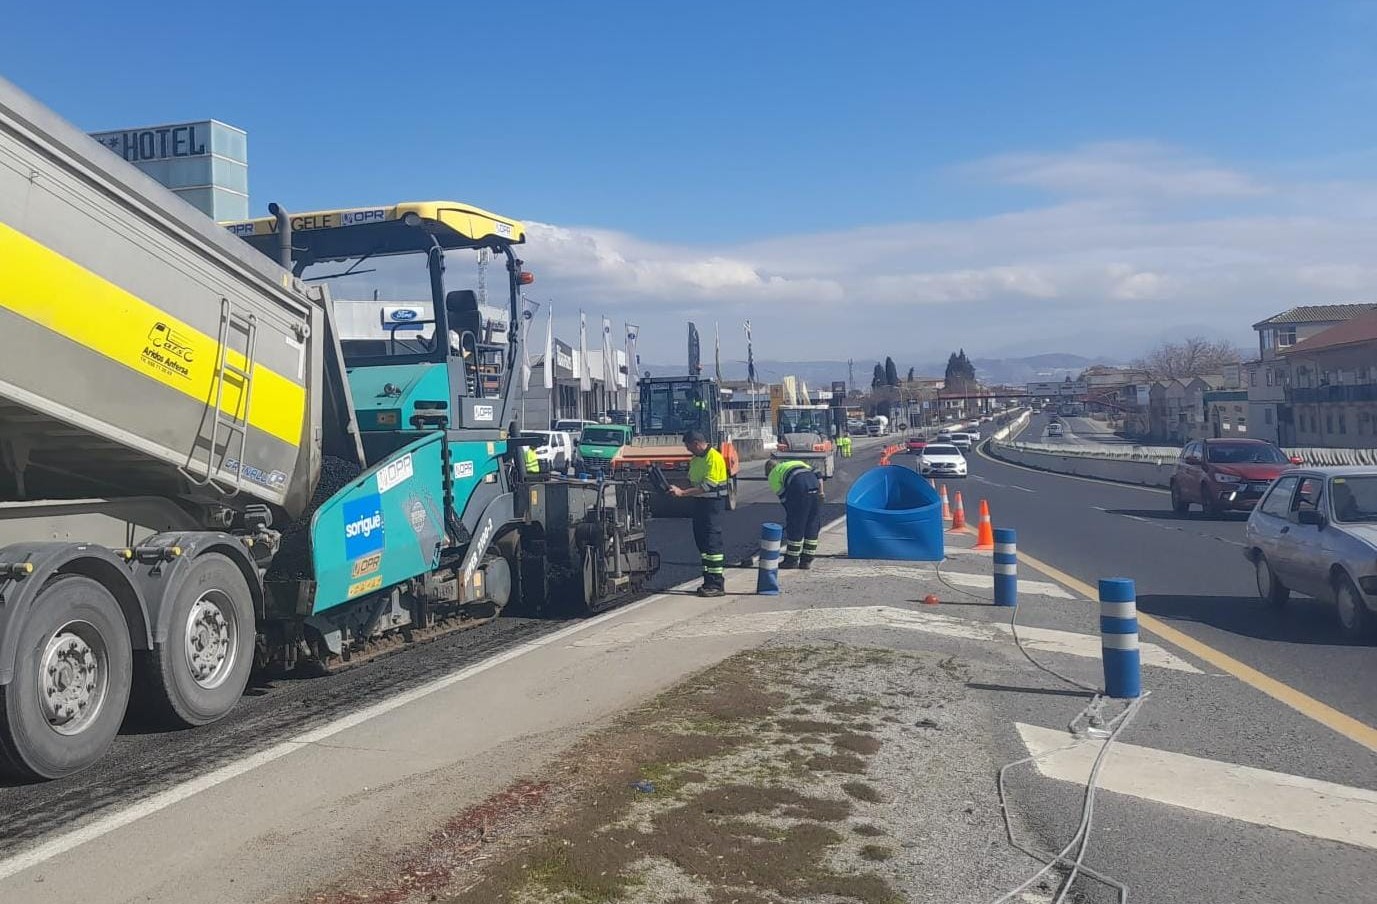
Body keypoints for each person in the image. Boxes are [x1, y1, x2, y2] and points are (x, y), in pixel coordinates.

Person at [668, 430, 728, 596]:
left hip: (712, 505)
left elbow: (706, 486)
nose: (688, 451)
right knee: (702, 541)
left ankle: (716, 584)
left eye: (689, 447)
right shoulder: (696, 459)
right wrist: (675, 486)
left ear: (696, 443)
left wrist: (682, 493)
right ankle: (708, 580)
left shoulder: (713, 458)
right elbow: (692, 480)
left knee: (712, 542)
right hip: (701, 504)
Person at [767, 458, 822, 569]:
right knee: (812, 523)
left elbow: (784, 498)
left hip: (799, 487)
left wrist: (791, 515)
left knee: (796, 526)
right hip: (814, 486)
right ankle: (806, 561)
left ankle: (791, 561)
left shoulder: (773, 475)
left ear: (769, 470)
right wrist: (821, 492)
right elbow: (818, 473)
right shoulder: (796, 463)